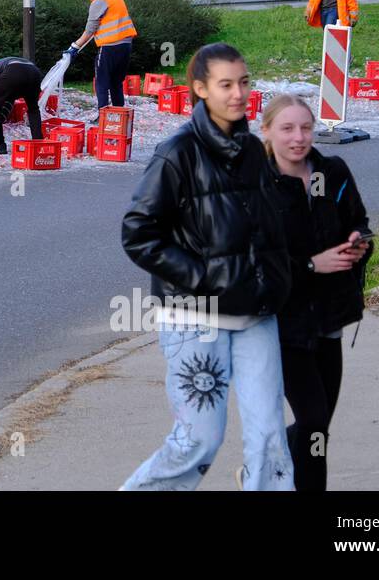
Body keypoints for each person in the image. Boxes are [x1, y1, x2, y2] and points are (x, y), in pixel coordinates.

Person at [119, 43, 294, 490]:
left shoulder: (255, 150)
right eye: (226, 85)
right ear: (200, 89)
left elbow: (265, 230)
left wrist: (278, 281)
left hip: (256, 316)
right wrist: (206, 279)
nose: (239, 94)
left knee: (270, 437)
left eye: (244, 82)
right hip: (195, 319)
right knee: (198, 440)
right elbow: (138, 233)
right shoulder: (176, 154)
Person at [260, 93, 371, 491]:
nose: (298, 137)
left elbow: (359, 222)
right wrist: (311, 264)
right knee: (311, 423)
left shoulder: (334, 172)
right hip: (282, 324)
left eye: (305, 127)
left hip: (329, 317)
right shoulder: (256, 187)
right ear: (267, 132)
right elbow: (252, 262)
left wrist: (359, 242)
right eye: (287, 128)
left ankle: (267, 468)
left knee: (318, 428)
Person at [68, 0, 137, 121]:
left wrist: (75, 47)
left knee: (101, 82)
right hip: (125, 44)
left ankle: (103, 117)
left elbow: (90, 29)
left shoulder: (99, 1)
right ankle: (119, 116)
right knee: (116, 82)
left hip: (109, 47)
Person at [0, 56, 44, 156]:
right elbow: (9, 102)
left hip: (13, 70)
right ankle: (39, 144)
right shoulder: (0, 74)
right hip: (35, 72)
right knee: (33, 109)